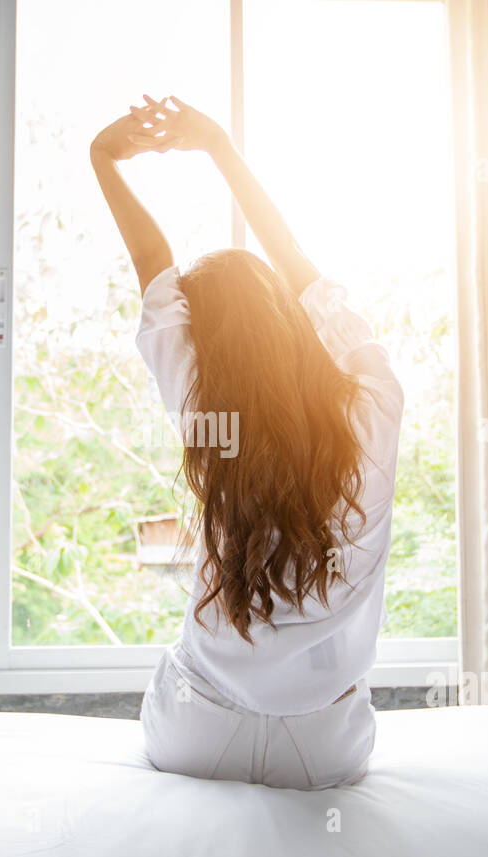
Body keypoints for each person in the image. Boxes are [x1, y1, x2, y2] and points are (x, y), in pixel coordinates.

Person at [90, 95, 404, 789]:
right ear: (288, 322)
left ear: (208, 348)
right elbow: (302, 273)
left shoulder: (204, 408)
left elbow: (153, 263)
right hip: (324, 749)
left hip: (199, 731)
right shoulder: (376, 402)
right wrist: (220, 150)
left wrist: (104, 158)